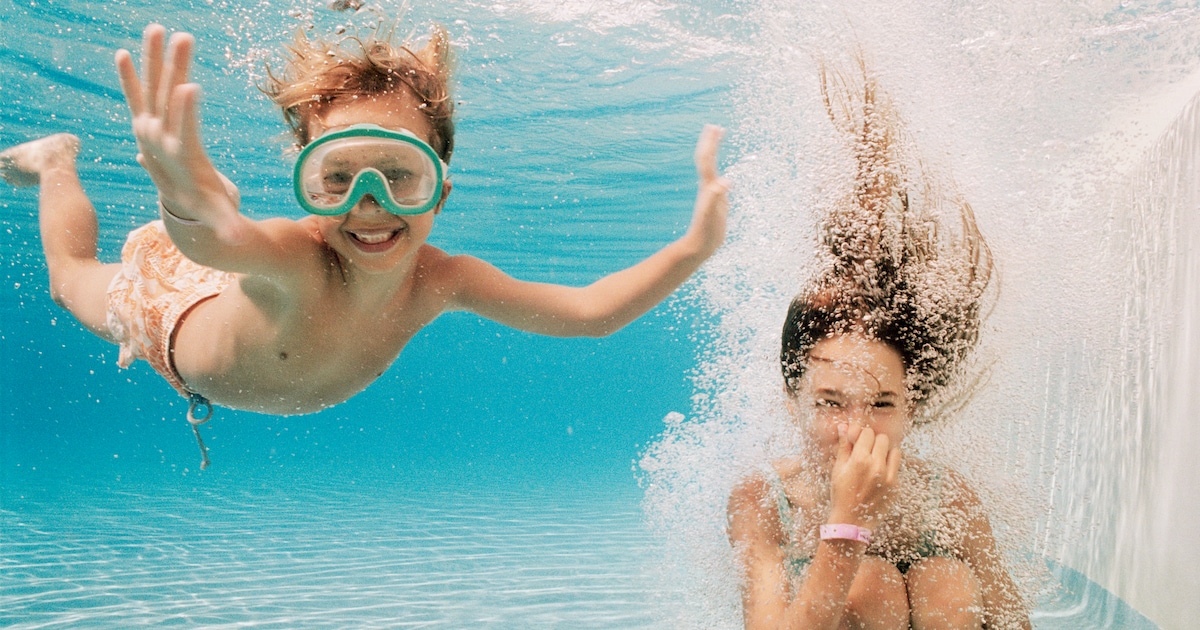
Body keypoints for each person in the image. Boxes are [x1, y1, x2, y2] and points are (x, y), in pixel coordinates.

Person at [0, 23, 729, 468]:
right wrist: (186, 200)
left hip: (225, 283)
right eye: (337, 179)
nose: (368, 207)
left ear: (440, 189)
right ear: (306, 188)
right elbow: (223, 242)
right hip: (173, 312)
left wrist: (692, 249)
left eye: (398, 177)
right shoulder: (294, 255)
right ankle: (55, 162)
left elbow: (590, 311)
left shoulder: (443, 279)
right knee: (70, 280)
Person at [725, 56, 1030, 629]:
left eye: (882, 404)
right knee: (870, 582)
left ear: (913, 403)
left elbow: (1015, 618)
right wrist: (848, 524)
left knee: (947, 582)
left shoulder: (947, 497)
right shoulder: (763, 500)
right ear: (792, 400)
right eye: (831, 402)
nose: (856, 431)